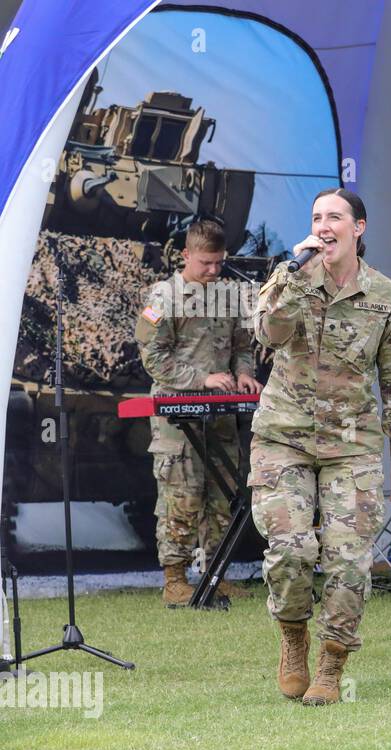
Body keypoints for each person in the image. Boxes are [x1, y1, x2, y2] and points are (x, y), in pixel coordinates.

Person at [250, 188, 391, 705]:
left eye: (335, 217)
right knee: (292, 552)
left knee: (348, 561)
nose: (324, 226)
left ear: (358, 228)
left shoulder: (385, 296)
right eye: (317, 217)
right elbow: (269, 334)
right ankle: (294, 640)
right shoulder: (289, 278)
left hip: (351, 445)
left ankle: (331, 666)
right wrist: (294, 276)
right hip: (283, 438)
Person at [135, 219, 259, 607]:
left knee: (223, 494)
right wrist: (202, 379)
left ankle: (215, 574)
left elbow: (242, 344)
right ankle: (174, 580)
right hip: (177, 412)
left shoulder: (229, 294)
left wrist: (244, 374)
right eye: (205, 262)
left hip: (220, 414)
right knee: (181, 494)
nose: (213, 270)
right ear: (186, 255)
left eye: (219, 262)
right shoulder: (162, 297)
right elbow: (152, 356)